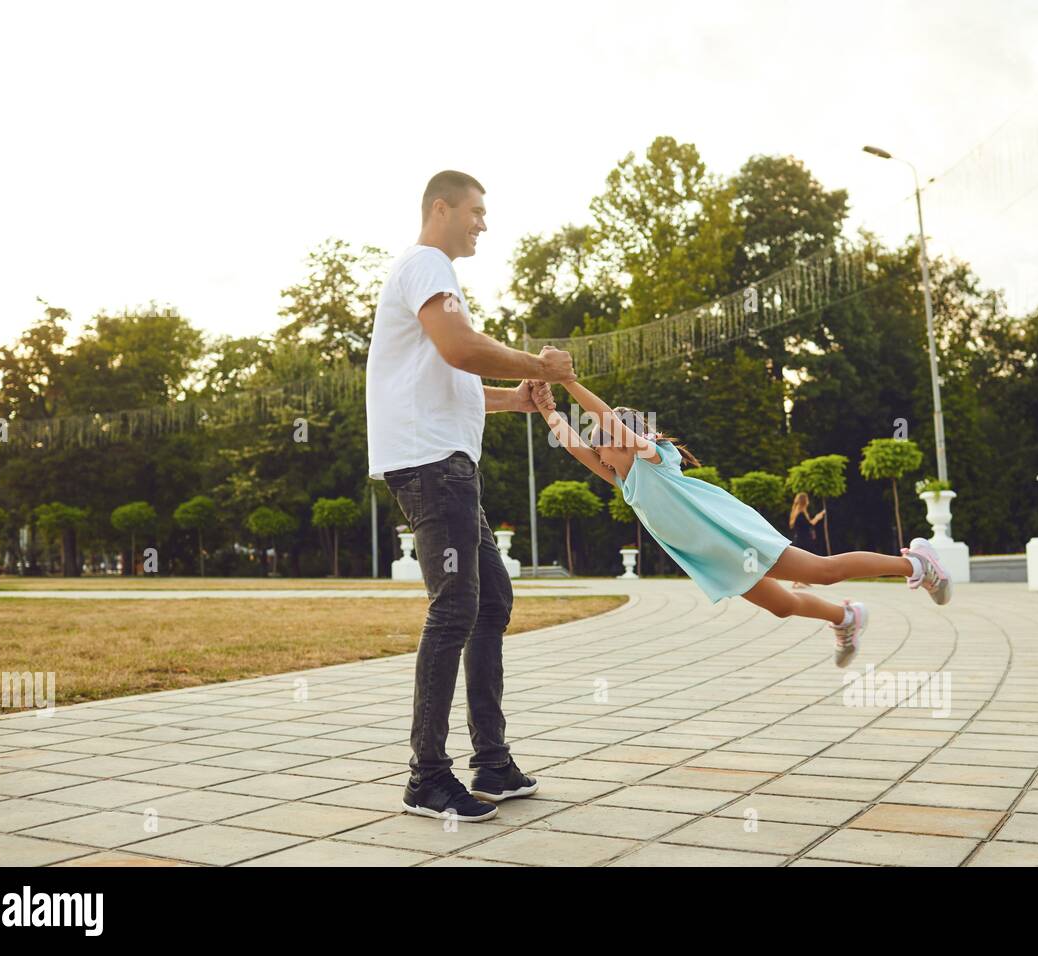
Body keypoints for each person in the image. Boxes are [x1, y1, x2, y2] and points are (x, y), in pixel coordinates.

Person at [366, 170, 576, 822]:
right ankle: (427, 777)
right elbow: (461, 349)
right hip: (432, 465)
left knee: (490, 599)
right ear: (442, 208)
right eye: (476, 210)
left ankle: (492, 762)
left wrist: (516, 398)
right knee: (456, 605)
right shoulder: (427, 264)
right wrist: (540, 365)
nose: (484, 222)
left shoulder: (432, 276)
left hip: (445, 461)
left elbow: (450, 375)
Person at [526, 379, 951, 667]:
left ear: (621, 439)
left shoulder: (653, 460)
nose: (598, 455)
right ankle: (846, 617)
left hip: (734, 538)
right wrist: (547, 409)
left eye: (602, 445)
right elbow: (576, 448)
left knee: (822, 571)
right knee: (782, 606)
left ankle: (916, 563)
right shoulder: (625, 480)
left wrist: (567, 380)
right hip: (715, 558)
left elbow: (606, 421)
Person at [787, 492, 826, 589]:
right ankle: (798, 581)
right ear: (805, 501)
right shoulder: (800, 514)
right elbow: (809, 525)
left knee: (802, 561)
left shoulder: (799, 513)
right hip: (802, 541)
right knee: (803, 561)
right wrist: (817, 517)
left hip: (801, 540)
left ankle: (802, 580)